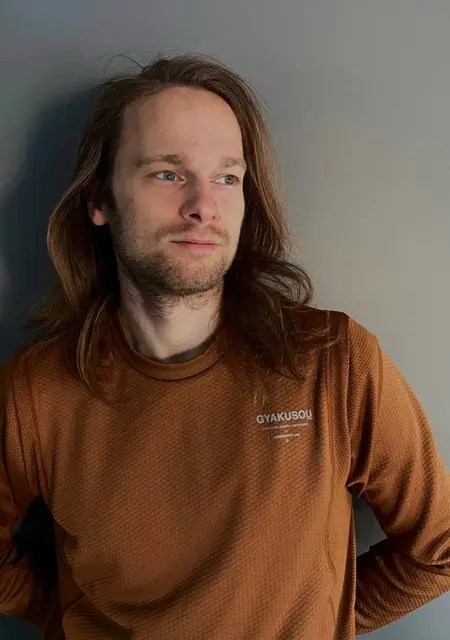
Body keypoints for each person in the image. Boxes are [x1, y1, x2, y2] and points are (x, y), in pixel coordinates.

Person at [1, 53, 449, 640]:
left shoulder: (335, 362)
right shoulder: (35, 391)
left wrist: (321, 620)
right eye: (167, 173)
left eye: (227, 177)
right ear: (99, 200)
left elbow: (438, 552)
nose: (203, 205)